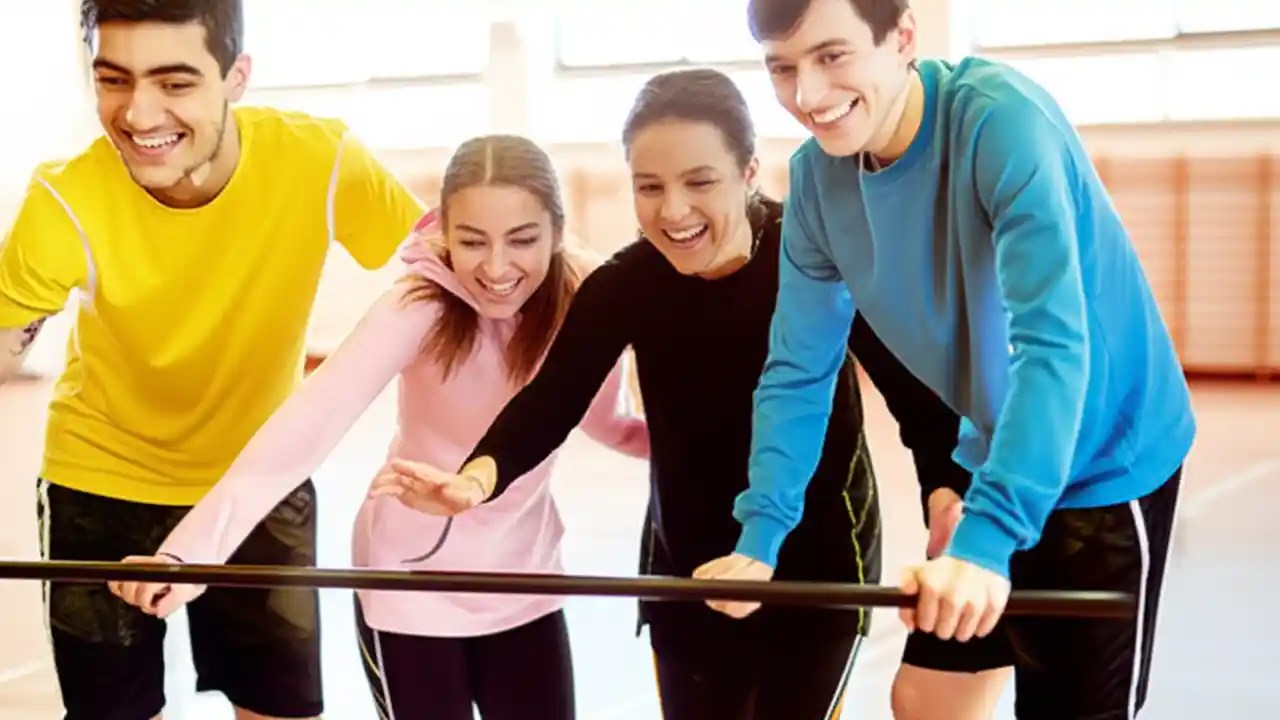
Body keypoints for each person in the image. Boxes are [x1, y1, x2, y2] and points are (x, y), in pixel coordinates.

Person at [371, 68, 1000, 720]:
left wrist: (945, 493)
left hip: (816, 566)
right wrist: (474, 481)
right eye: (650, 187)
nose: (673, 211)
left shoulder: (817, 256)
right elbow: (549, 401)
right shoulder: (626, 284)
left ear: (749, 170)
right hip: (687, 566)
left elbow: (914, 394)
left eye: (700, 182)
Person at [724, 0, 1196, 718]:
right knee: (927, 700)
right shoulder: (818, 182)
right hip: (996, 448)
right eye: (781, 68)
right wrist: (762, 534)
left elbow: (1052, 346)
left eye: (832, 56)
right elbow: (798, 370)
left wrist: (987, 538)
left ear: (903, 37)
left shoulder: (1002, 125)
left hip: (1104, 460)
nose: (806, 96)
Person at [107, 133, 652, 720]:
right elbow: (305, 426)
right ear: (444, 232)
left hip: (526, 578)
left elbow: (611, 424)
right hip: (410, 586)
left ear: (556, 229)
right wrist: (190, 555)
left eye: (522, 240)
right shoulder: (419, 305)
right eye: (472, 241)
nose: (496, 268)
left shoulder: (584, 296)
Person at [0, 1, 424, 718]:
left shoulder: (320, 160)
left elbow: (457, 267)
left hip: (260, 479)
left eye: (174, 82)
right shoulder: (64, 197)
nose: (137, 114)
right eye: (114, 80)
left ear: (236, 77)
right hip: (101, 484)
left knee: (279, 710)